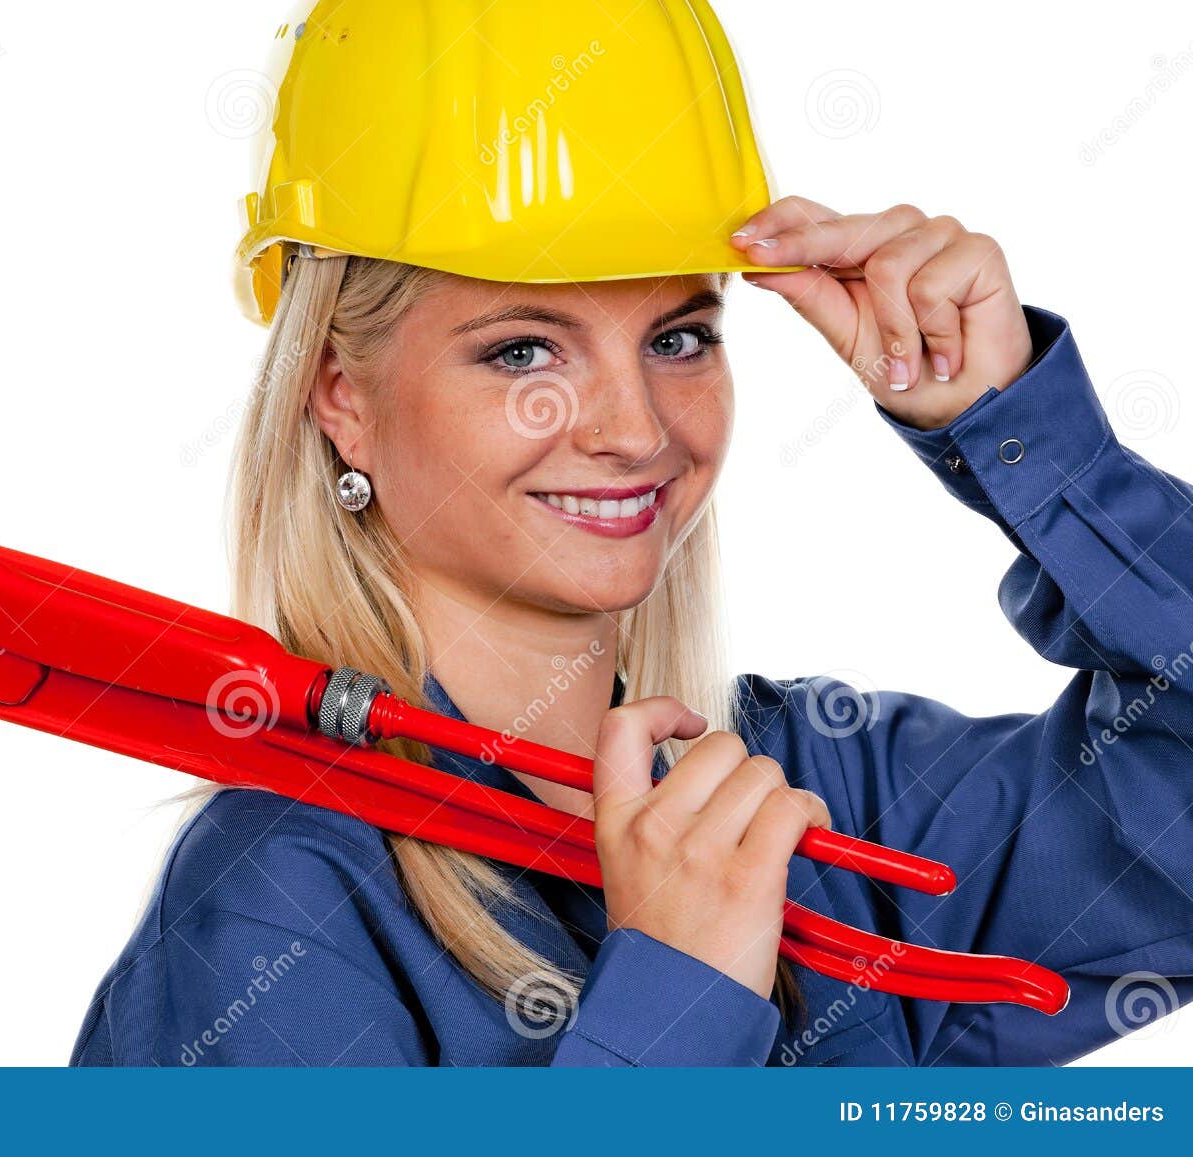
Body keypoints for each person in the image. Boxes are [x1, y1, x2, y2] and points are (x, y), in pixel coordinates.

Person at [71, 0, 1193, 1066]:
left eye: (678, 336)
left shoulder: (808, 796)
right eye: (523, 349)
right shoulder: (271, 908)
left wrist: (1029, 440)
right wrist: (677, 1002)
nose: (634, 428)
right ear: (339, 393)